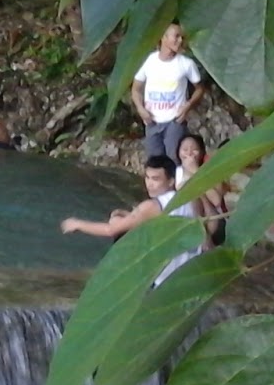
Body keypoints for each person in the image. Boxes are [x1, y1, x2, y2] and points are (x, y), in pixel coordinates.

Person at [60, 155, 200, 283]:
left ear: (171, 181)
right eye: (147, 177)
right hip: (189, 263)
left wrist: (77, 224)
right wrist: (128, 215)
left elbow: (110, 230)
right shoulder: (187, 197)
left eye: (155, 179)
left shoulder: (152, 206)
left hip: (166, 272)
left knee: (118, 228)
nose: (149, 184)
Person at [132, 24, 205, 161]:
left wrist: (188, 106)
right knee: (155, 162)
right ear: (163, 38)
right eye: (176, 36)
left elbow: (200, 89)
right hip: (151, 121)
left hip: (174, 121)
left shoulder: (186, 64)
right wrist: (140, 108)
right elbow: (135, 88)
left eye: (182, 37)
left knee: (174, 160)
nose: (180, 41)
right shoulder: (150, 61)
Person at [176, 133, 226, 246]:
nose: (189, 153)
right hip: (184, 222)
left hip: (213, 220)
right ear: (178, 152)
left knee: (195, 192)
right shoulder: (175, 173)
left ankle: (204, 240)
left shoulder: (212, 171)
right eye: (185, 149)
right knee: (190, 193)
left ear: (201, 152)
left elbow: (217, 201)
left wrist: (196, 172)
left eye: (194, 150)